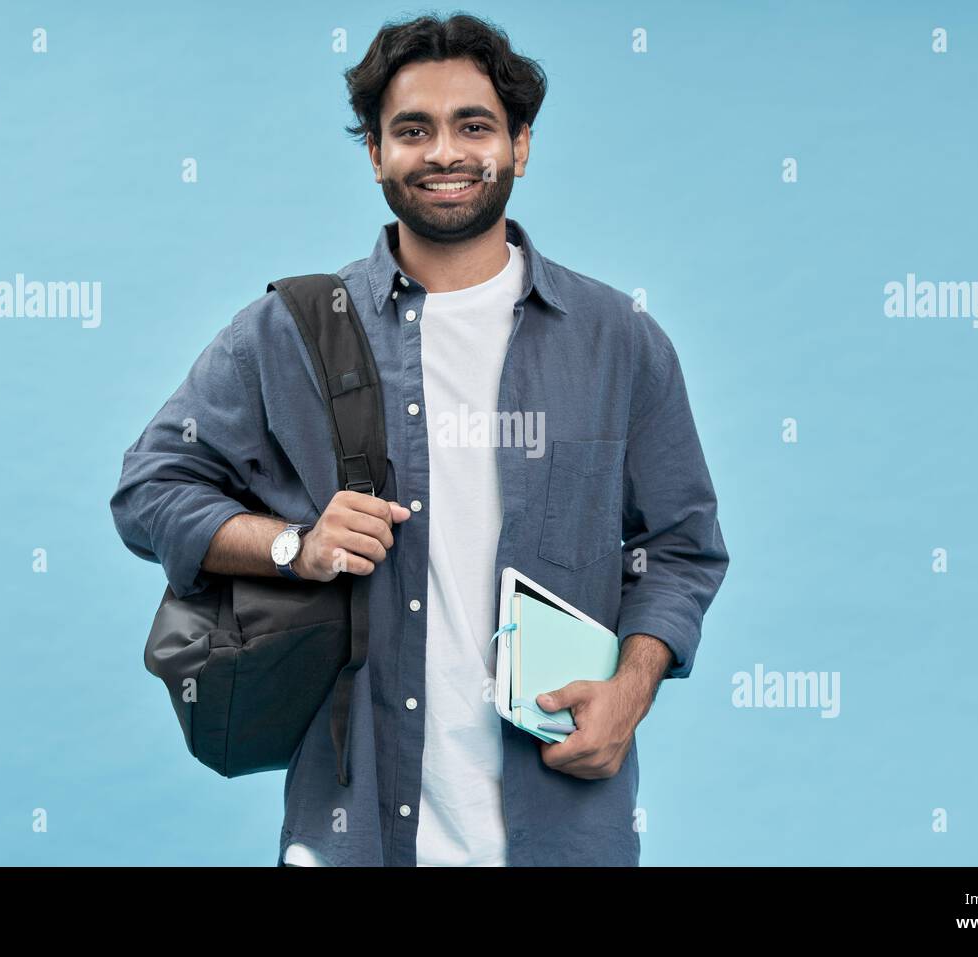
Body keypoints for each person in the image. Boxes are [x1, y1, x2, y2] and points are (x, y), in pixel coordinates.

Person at [109, 12, 729, 867]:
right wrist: (295, 544)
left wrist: (632, 688)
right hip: (352, 825)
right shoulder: (293, 331)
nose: (444, 152)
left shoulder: (618, 340)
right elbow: (148, 489)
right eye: (412, 129)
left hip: (564, 828)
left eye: (474, 125)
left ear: (519, 145)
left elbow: (680, 548)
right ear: (375, 154)